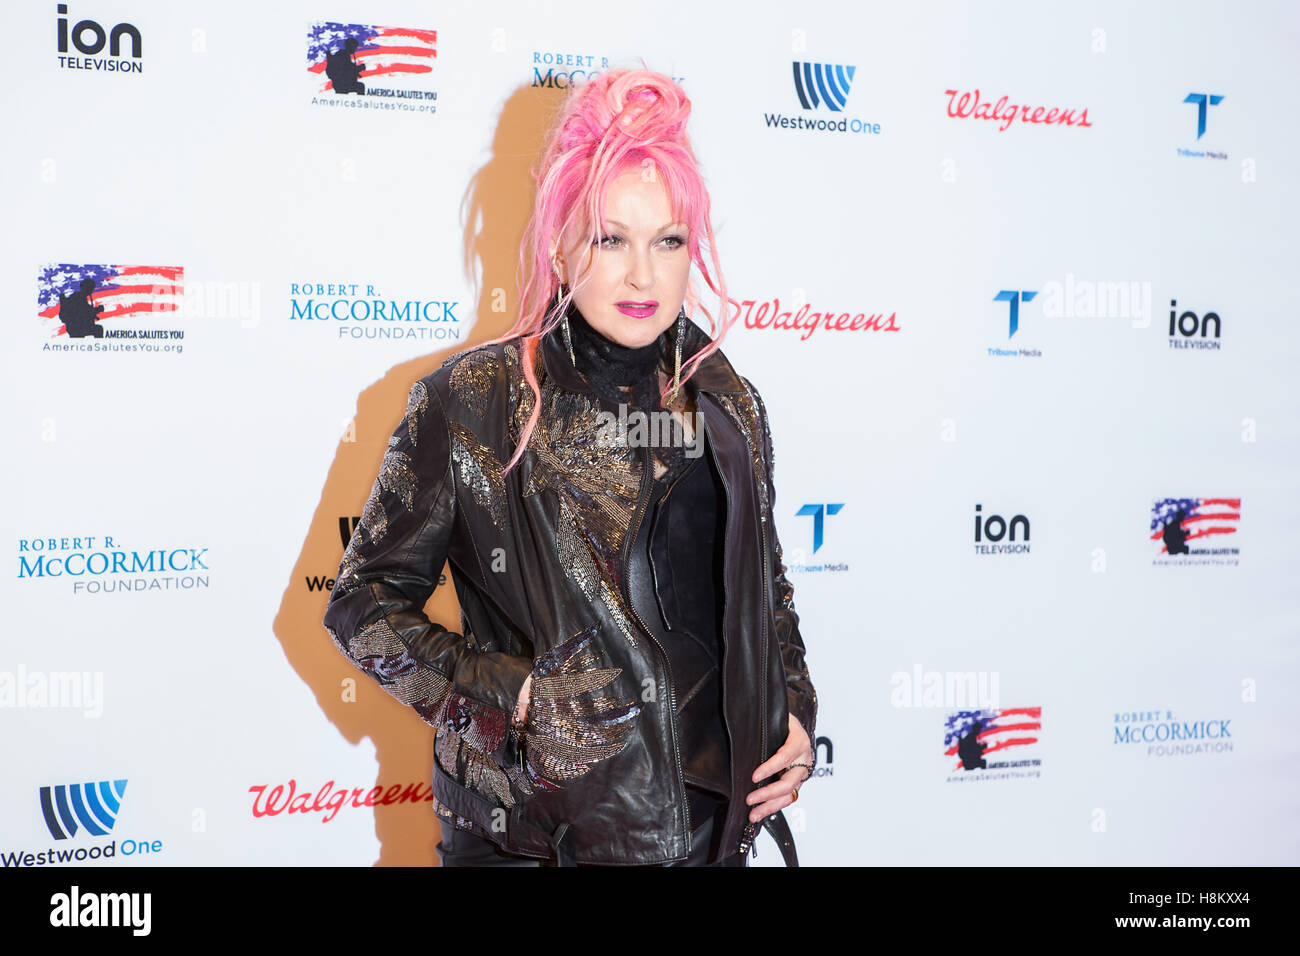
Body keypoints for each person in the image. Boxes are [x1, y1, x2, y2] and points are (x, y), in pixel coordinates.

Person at [322, 68, 817, 867]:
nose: (642, 276)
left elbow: (766, 587)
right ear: (559, 242)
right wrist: (504, 694)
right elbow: (361, 607)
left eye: (668, 241)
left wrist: (791, 708)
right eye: (609, 238)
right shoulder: (471, 402)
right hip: (537, 839)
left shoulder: (728, 403)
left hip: (712, 835)